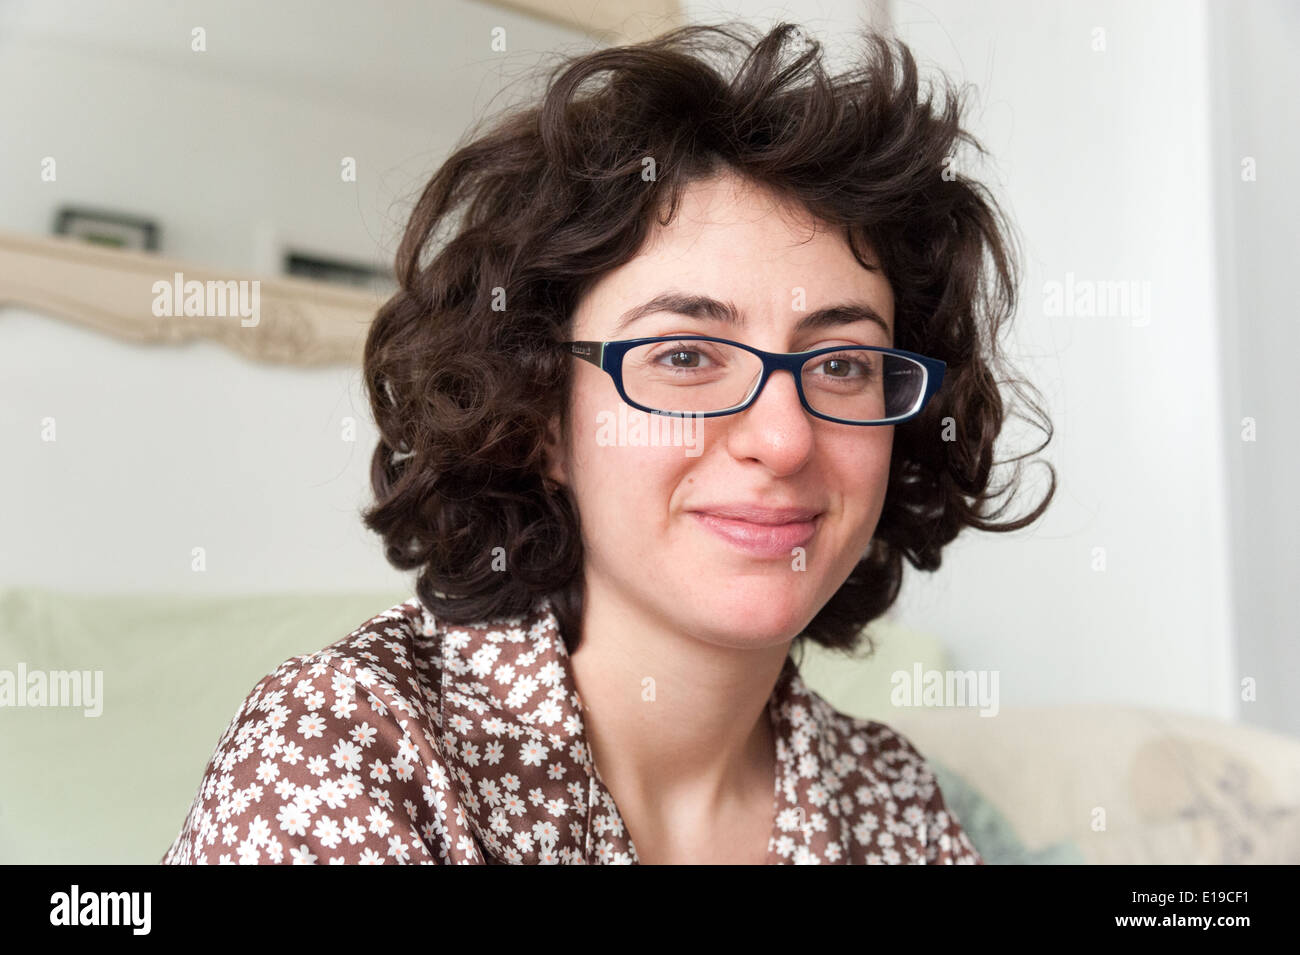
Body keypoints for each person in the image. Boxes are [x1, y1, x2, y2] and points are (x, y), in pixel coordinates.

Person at [162, 20, 1054, 865]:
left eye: (843, 364)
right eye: (684, 354)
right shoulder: (354, 742)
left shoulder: (890, 798)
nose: (784, 439)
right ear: (541, 416)